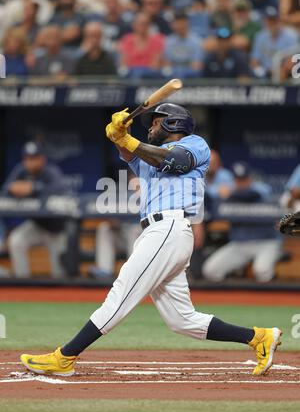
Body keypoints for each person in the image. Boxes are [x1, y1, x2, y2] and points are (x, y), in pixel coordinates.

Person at [21, 104, 281, 378]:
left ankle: (65, 357)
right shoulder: (148, 156)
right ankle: (259, 338)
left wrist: (128, 139)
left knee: (120, 295)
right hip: (159, 233)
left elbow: (172, 160)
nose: (150, 128)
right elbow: (131, 154)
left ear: (173, 124)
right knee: (182, 320)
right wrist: (119, 136)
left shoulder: (196, 144)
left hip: (169, 228)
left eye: (156, 123)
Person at [202, 161, 282, 283]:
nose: (241, 183)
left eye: (244, 179)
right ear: (234, 180)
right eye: (238, 180)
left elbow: (253, 194)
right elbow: (211, 200)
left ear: (250, 178)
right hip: (239, 244)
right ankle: (232, 299)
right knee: (211, 271)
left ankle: (273, 300)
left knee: (261, 271)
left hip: (266, 243)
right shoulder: (228, 192)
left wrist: (229, 195)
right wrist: (225, 196)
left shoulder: (262, 189)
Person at [3, 142, 68, 278]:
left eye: (34, 158)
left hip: (56, 230)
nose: (30, 162)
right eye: (28, 158)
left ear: (42, 159)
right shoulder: (21, 170)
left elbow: (59, 189)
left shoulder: (51, 171)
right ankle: (23, 281)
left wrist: (33, 188)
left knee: (60, 274)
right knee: (16, 240)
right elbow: (5, 192)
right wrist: (15, 189)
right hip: (37, 225)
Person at [251, 6, 298, 78]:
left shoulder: (291, 36)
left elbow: (293, 60)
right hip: (264, 74)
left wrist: (281, 71)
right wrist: (260, 72)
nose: (271, 23)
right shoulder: (260, 36)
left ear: (279, 21)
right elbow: (254, 60)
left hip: (285, 74)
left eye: (273, 20)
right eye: (269, 20)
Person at [118, 12, 165, 78]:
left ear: (149, 25)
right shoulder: (127, 40)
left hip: (150, 76)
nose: (143, 26)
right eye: (140, 24)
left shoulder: (157, 40)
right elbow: (124, 63)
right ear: (134, 25)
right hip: (131, 76)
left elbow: (155, 65)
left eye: (145, 24)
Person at [162, 12, 203, 79]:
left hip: (190, 79)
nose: (179, 26)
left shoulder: (197, 41)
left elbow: (197, 66)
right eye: (177, 23)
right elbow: (166, 64)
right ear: (173, 25)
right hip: (172, 78)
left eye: (182, 23)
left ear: (187, 23)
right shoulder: (168, 41)